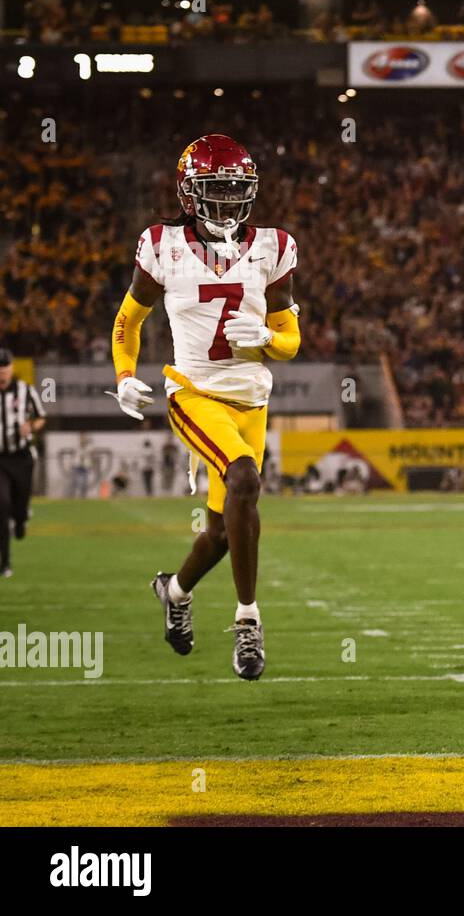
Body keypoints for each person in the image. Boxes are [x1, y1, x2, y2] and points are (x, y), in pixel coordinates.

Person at [108, 134, 300, 680]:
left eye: (237, 191)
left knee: (221, 531)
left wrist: (263, 335)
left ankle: (174, 590)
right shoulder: (160, 244)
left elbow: (291, 342)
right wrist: (124, 375)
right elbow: (129, 322)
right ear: (189, 193)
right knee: (243, 480)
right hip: (193, 392)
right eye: (216, 191)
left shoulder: (273, 246)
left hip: (251, 400)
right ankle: (247, 621)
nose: (228, 203)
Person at [0, 349, 46, 577]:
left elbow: (40, 417)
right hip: (0, 459)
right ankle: (5, 563)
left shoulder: (25, 390)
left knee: (18, 507)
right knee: (2, 505)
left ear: (11, 368)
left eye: (5, 368)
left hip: (21, 457)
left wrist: (31, 426)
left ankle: (20, 520)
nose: (2, 373)